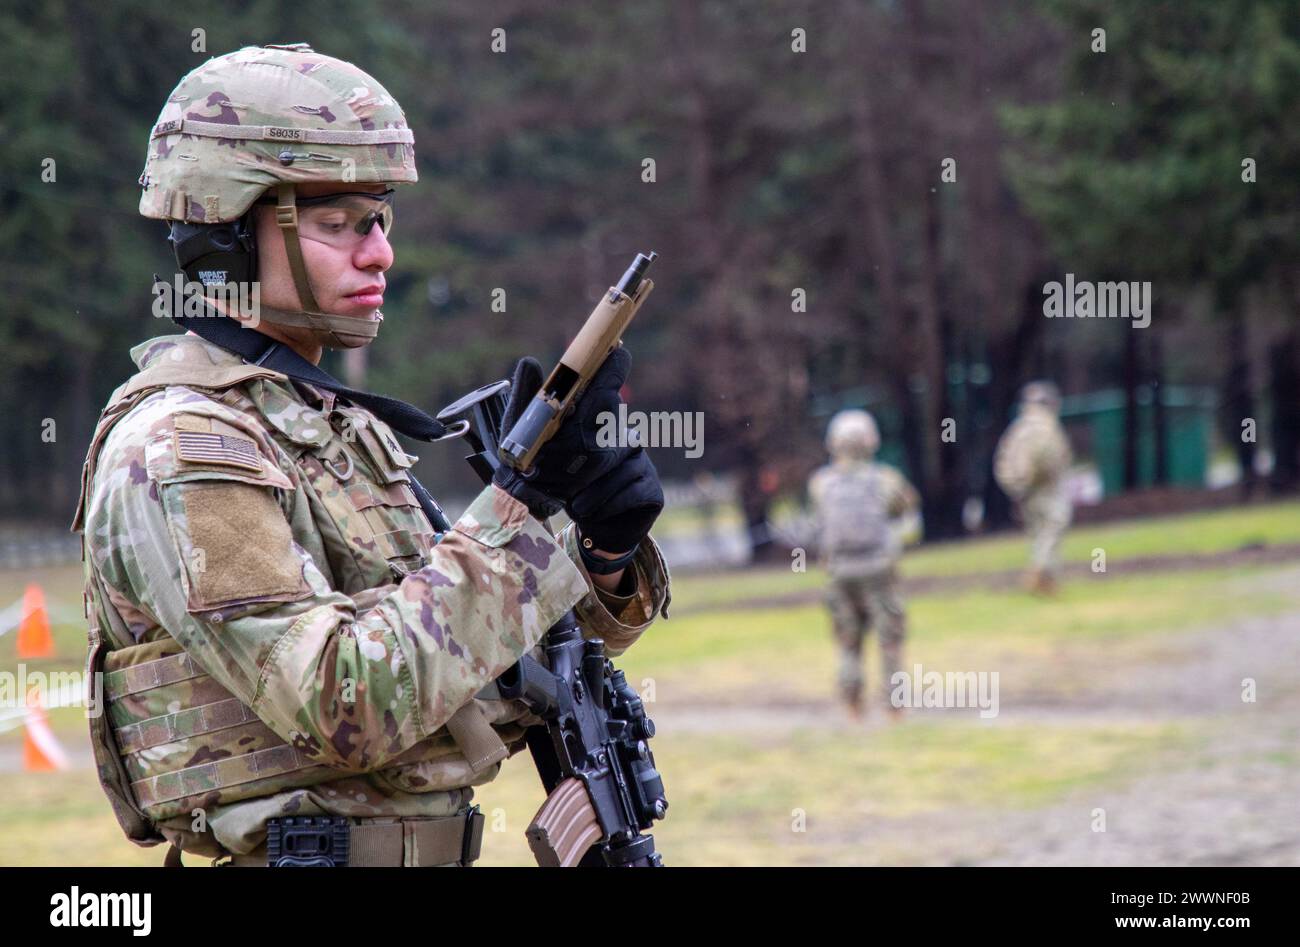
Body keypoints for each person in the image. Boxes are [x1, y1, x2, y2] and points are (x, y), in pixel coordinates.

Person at [72, 44, 670, 867]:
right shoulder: (184, 449)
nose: (380, 252)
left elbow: (463, 661)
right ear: (231, 233)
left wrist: (597, 548)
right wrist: (517, 512)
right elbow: (346, 702)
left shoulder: (327, 429)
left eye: (379, 219)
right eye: (337, 225)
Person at [808, 410, 920, 721]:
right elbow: (905, 507)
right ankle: (894, 706)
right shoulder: (886, 479)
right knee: (890, 639)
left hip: (839, 571)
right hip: (880, 569)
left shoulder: (821, 483)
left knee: (848, 640)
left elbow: (819, 520)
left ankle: (852, 704)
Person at [993, 381, 1073, 595]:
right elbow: (1051, 457)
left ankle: (1048, 582)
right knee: (1054, 526)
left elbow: (1003, 461)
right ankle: (1040, 571)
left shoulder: (1018, 428)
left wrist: (1016, 487)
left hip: (1025, 491)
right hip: (1044, 488)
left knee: (1039, 533)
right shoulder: (1045, 425)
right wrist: (1040, 478)